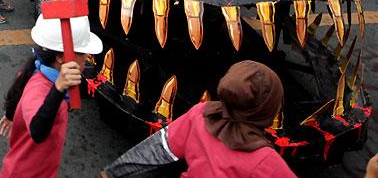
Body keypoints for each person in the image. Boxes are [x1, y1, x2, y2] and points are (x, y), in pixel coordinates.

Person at [100, 61, 295, 178]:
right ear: (266, 110)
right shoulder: (264, 160)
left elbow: (156, 150)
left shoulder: (201, 114)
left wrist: (111, 173)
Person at [0, 12, 102, 178]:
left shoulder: (40, 69)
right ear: (61, 57)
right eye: (82, 54)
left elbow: (18, 87)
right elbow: (38, 131)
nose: (87, 57)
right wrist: (58, 89)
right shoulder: (40, 88)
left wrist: (11, 114)